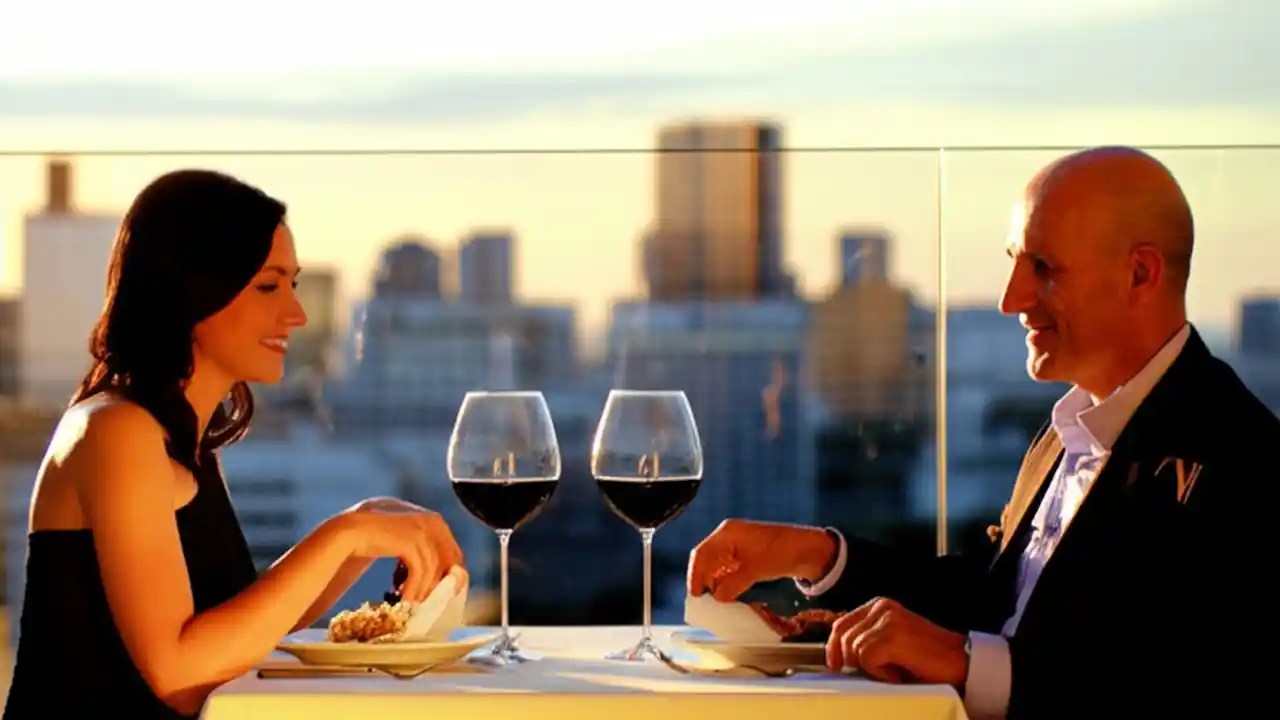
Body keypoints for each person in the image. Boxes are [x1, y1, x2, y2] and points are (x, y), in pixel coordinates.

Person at [687, 146, 1278, 719]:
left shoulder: (1243, 459)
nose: (1010, 299)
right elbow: (1002, 599)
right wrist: (817, 554)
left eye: (1043, 268)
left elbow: (1204, 684)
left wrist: (970, 665)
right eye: (1014, 262)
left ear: (1140, 274)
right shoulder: (1067, 435)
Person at [2, 169, 465, 719]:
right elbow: (178, 670)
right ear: (191, 291)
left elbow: (237, 631)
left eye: (293, 284)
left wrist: (364, 527)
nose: (296, 314)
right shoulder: (117, 431)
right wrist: (348, 535)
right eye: (268, 286)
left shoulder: (179, 438)